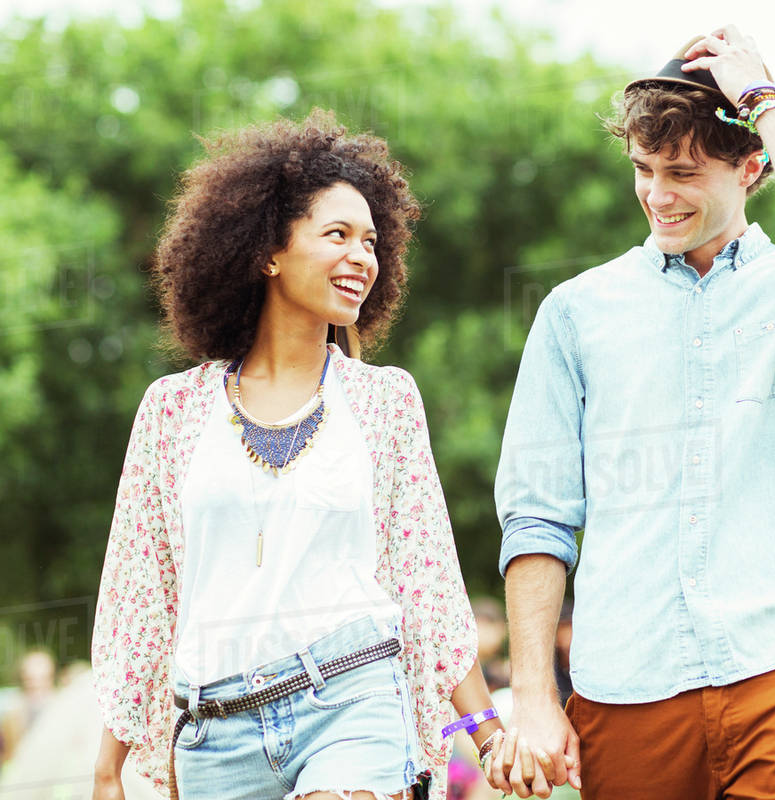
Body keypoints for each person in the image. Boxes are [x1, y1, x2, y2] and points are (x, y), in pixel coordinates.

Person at [493, 27, 775, 799]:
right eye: (643, 170)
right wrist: (536, 698)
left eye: (682, 173)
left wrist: (766, 101)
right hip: (626, 692)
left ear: (751, 169)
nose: (658, 195)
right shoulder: (575, 312)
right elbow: (538, 516)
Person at [91, 110, 528, 800]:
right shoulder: (172, 411)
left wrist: (488, 733)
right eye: (338, 235)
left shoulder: (385, 401)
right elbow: (141, 595)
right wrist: (106, 769)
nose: (362, 257)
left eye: (371, 242)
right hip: (214, 730)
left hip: (352, 696)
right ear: (268, 251)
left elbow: (427, 581)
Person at [0, 650, 57, 763]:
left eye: (42, 679)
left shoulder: (62, 707)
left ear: (52, 677)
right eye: (30, 679)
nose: (36, 684)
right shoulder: (11, 709)